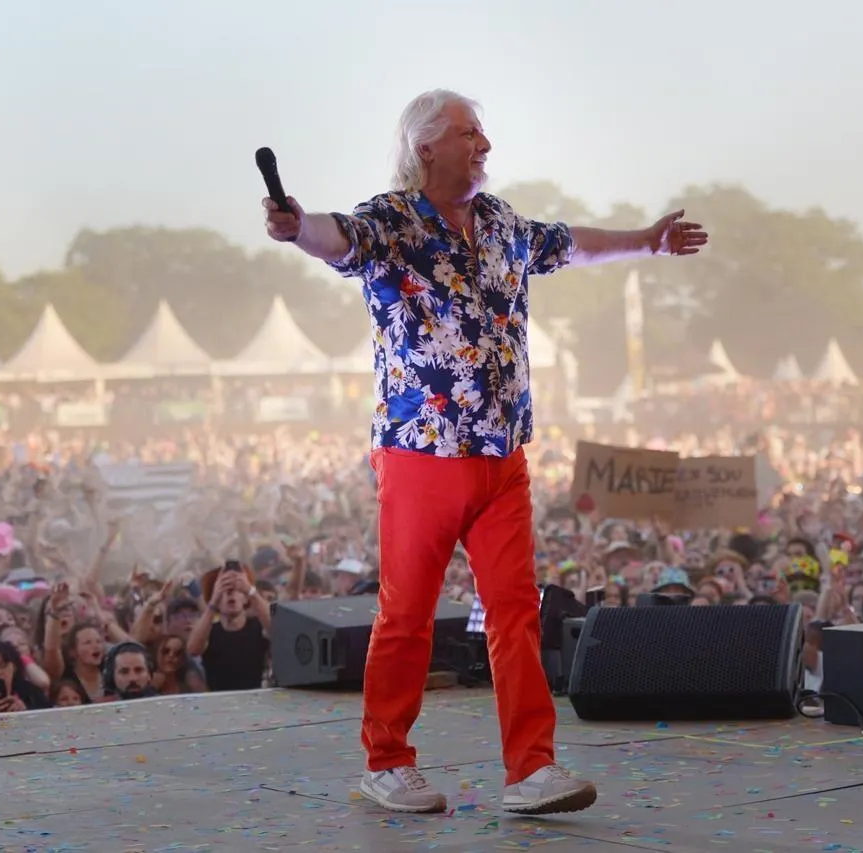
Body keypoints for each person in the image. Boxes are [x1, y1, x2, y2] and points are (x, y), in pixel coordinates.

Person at [262, 89, 708, 815]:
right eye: (469, 133)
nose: (485, 145)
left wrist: (648, 241)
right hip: (422, 454)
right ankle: (387, 761)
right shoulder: (393, 220)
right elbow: (335, 238)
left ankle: (531, 767)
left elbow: (571, 243)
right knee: (406, 613)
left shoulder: (500, 223)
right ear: (425, 148)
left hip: (503, 456)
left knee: (515, 611)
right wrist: (295, 227)